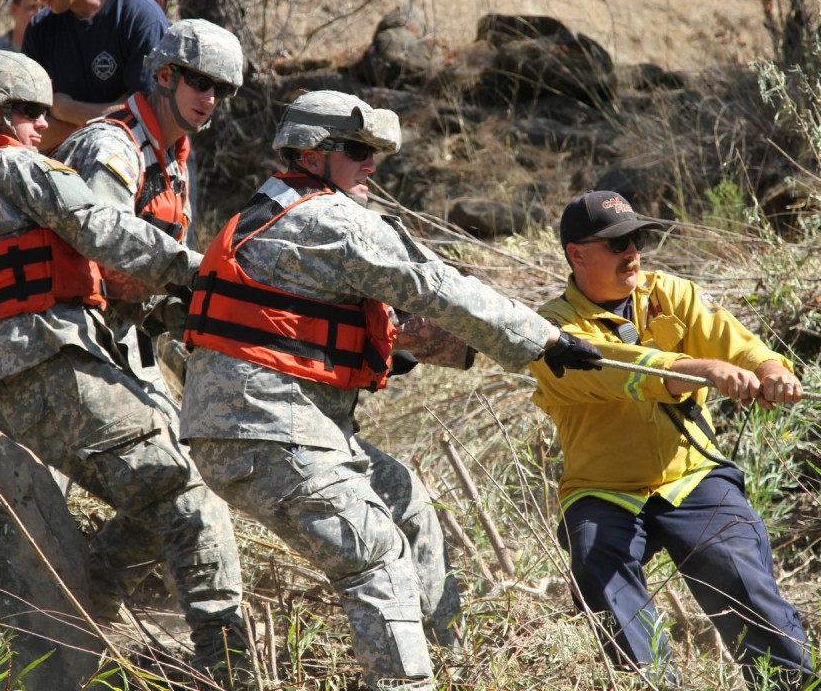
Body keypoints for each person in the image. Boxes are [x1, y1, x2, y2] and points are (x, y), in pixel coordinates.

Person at [178, 89, 603, 691]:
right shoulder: (329, 218)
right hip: (266, 430)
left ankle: (450, 661)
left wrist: (486, 347)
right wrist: (542, 340)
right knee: (375, 553)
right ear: (310, 154)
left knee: (404, 502)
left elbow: (376, 327)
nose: (371, 163)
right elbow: (436, 284)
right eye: (356, 149)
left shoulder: (276, 212)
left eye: (375, 150)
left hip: (284, 428)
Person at [0, 49, 248, 682]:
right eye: (30, 114)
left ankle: (84, 630)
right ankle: (232, 672)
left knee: (147, 506)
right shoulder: (18, 167)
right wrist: (198, 273)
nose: (42, 128)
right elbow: (100, 226)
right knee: (189, 496)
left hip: (15, 386)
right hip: (61, 369)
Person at [529, 190, 821, 691]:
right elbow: (611, 371)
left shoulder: (673, 294)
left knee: (743, 582)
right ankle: (650, 683)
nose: (632, 251)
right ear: (576, 254)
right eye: (616, 242)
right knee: (599, 568)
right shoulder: (550, 330)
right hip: (603, 488)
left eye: (636, 238)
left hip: (692, 477)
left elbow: (738, 343)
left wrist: (770, 369)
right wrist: (700, 370)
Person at [55, 18, 241, 376]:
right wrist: (195, 269)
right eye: (201, 82)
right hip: (70, 334)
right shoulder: (113, 146)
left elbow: (146, 290)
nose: (211, 98)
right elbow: (104, 235)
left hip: (121, 336)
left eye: (222, 89)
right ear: (165, 76)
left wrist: (173, 316)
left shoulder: (173, 162)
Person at [1, 0, 168, 151]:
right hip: (61, 177)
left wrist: (64, 110)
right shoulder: (40, 29)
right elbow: (28, 134)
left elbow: (145, 121)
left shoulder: (139, 18)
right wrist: (113, 111)